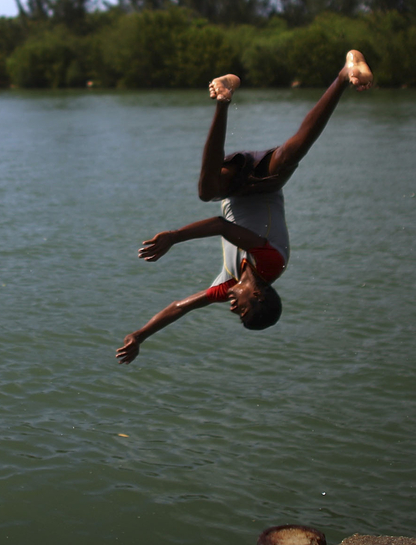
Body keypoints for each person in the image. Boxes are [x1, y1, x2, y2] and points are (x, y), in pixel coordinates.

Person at [117, 50, 373, 364]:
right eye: (243, 310)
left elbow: (179, 306)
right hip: (267, 179)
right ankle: (344, 75)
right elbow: (221, 226)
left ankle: (225, 97)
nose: (232, 309)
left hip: (235, 185)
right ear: (257, 295)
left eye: (238, 314)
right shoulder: (270, 264)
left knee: (207, 190)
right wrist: (173, 236)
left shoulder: (227, 287)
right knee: (293, 152)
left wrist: (139, 335)